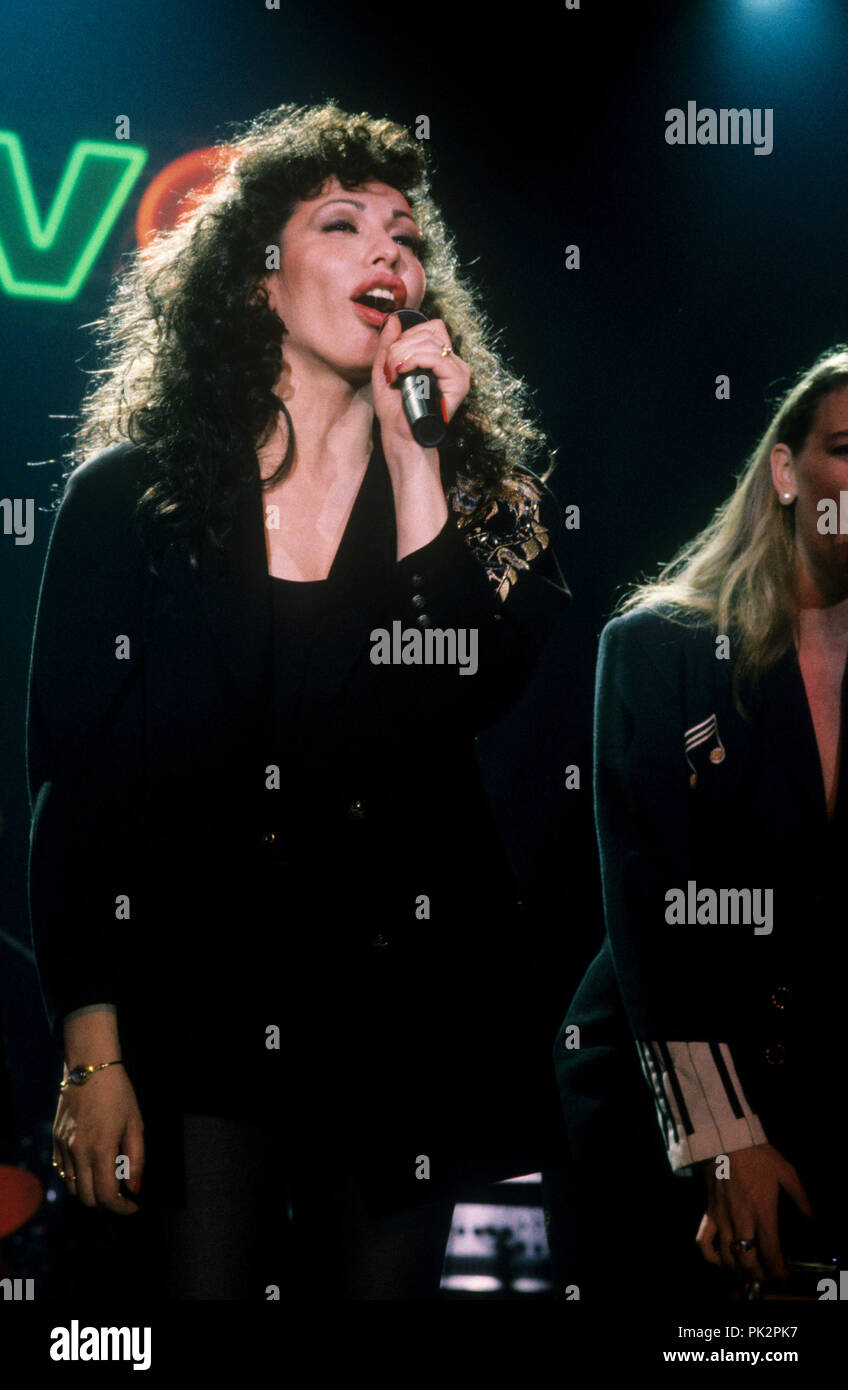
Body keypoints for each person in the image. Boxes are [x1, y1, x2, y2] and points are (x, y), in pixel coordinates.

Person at [26, 101, 570, 1300]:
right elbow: (77, 787)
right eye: (343, 224)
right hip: (191, 1012)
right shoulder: (133, 500)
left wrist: (418, 454)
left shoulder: (481, 497)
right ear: (259, 278)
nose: (390, 252)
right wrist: (90, 1050)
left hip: (398, 1023)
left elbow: (471, 686)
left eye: (405, 234)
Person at [554, 347, 848, 1301]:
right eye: (846, 449)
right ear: (786, 471)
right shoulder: (657, 648)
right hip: (662, 1111)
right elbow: (653, 912)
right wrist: (723, 1142)